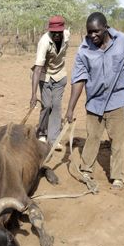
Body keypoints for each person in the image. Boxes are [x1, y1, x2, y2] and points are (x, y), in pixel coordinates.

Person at [65, 12, 124, 190]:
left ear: (106, 28)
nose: (93, 36)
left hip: (119, 100)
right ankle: (86, 169)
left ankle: (117, 177)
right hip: (95, 102)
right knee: (92, 137)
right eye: (89, 32)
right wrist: (70, 108)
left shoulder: (123, 41)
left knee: (117, 141)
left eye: (96, 32)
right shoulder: (84, 49)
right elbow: (78, 80)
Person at [30, 15, 70, 149]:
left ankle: (53, 139)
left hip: (59, 75)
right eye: (54, 32)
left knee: (56, 105)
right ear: (50, 30)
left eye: (59, 32)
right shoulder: (44, 42)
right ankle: (42, 132)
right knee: (47, 105)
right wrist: (33, 94)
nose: (57, 35)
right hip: (44, 76)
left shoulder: (67, 35)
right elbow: (37, 69)